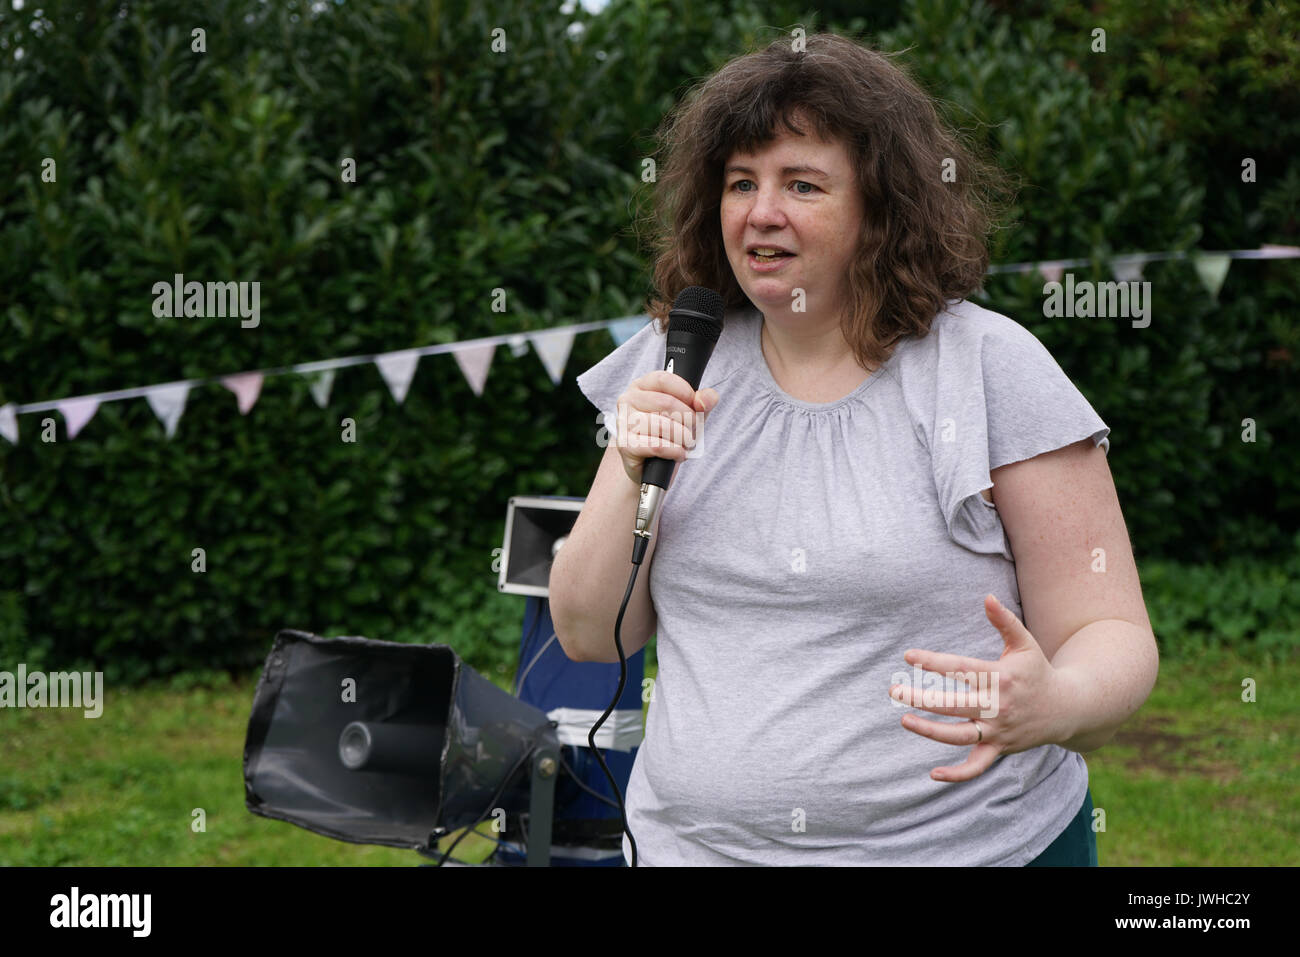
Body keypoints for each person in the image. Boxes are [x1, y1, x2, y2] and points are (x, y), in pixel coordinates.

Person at [548, 32, 1158, 866]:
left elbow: (1112, 630)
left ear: (883, 206)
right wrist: (626, 470)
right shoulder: (674, 359)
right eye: (740, 183)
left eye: (802, 183)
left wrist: (1059, 699)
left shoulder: (986, 367)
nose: (761, 211)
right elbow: (589, 635)